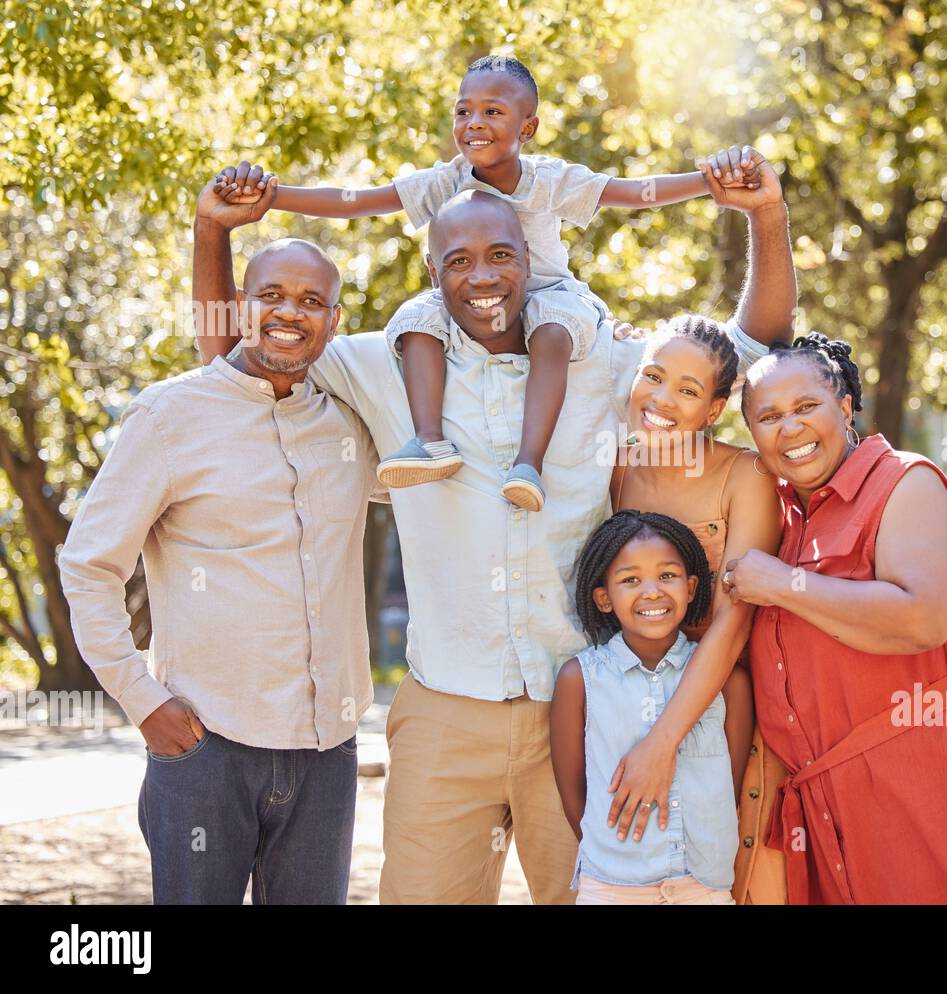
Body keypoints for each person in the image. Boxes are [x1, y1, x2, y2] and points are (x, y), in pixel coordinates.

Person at [194, 150, 796, 904]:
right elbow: (232, 365)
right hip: (444, 709)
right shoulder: (382, 365)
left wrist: (765, 215)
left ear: (528, 258)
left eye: (501, 255)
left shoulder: (600, 363)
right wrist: (211, 231)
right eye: (460, 260)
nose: (483, 277)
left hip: (580, 707)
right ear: (432, 269)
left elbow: (753, 348)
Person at [215, 54, 759, 511]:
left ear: (527, 127)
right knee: (413, 320)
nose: (474, 122)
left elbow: (636, 191)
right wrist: (272, 197)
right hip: (469, 303)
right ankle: (429, 439)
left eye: (493, 111)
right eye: (464, 110)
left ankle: (529, 462)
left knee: (550, 331)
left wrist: (710, 184)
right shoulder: (445, 180)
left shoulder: (550, 181)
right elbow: (356, 202)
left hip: (550, 296)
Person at [57, 182, 382, 904]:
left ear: (334, 321)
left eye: (310, 301)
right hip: (205, 749)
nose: (289, 313)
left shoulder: (351, 428)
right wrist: (141, 699)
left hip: (327, 755)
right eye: (273, 295)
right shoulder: (170, 416)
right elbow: (88, 567)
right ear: (240, 305)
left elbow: (446, 487)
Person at [723, 333, 947, 904]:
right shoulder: (784, 518)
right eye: (767, 417)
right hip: (827, 800)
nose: (788, 428)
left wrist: (782, 585)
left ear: (845, 408)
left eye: (805, 407)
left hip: (929, 777)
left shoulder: (905, 483)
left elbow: (922, 618)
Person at [604, 315, 788, 903]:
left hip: (729, 715)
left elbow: (733, 626)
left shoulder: (745, 474)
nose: (661, 400)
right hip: (629, 715)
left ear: (713, 409)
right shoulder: (613, 467)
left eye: (687, 390)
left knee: (730, 881)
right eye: (652, 377)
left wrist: (662, 744)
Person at [550, 510, 748, 904]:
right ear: (604, 598)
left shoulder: (730, 681)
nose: (652, 591)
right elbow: (573, 790)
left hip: (704, 885)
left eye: (667, 575)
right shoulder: (580, 680)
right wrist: (617, 856)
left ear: (691, 588)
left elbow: (733, 779)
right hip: (612, 886)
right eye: (630, 580)